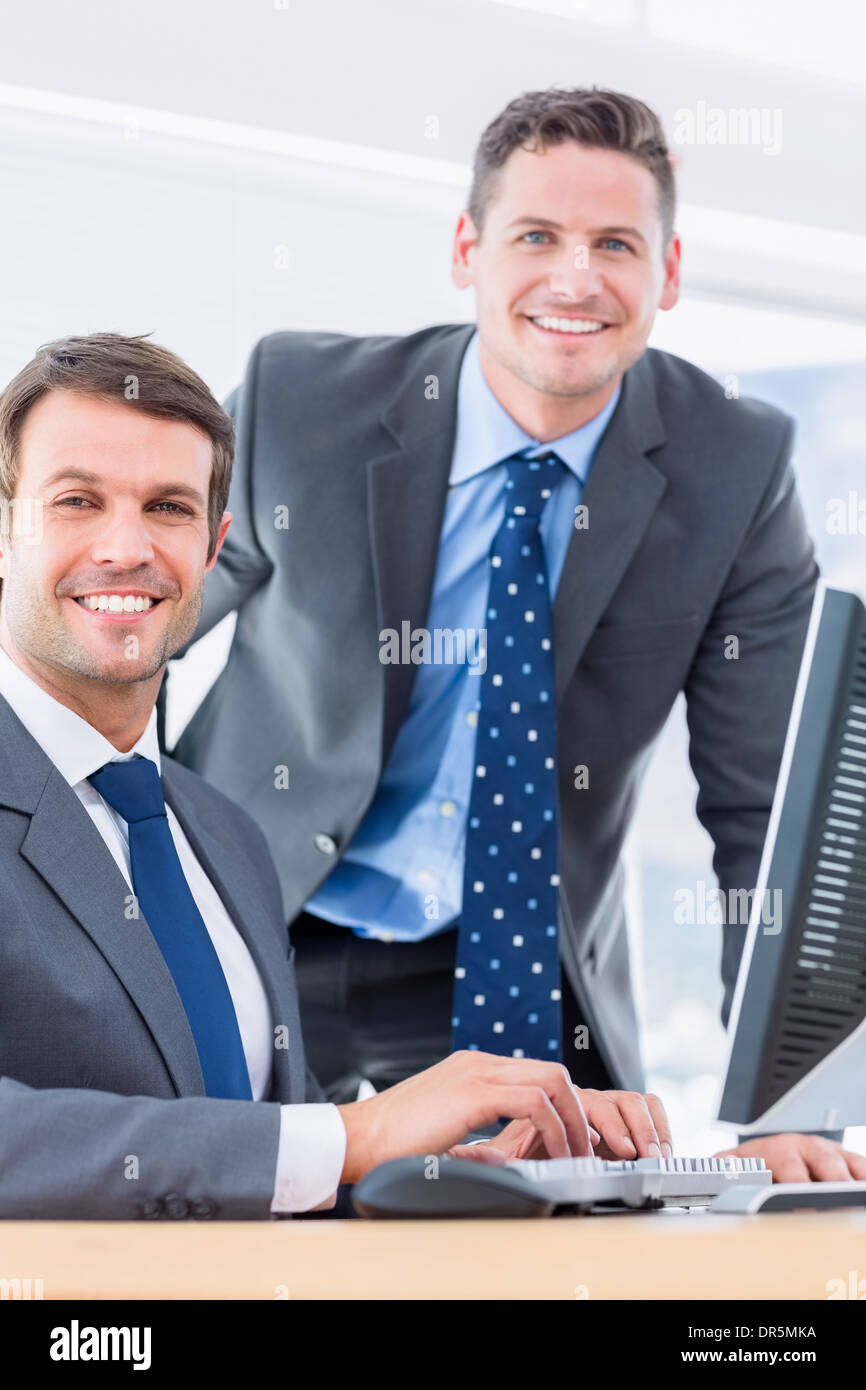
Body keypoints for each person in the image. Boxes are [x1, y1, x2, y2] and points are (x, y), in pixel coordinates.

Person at [170, 87, 862, 1181]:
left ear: (667, 276)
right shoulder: (302, 401)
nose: (574, 277)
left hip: (499, 963)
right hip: (255, 923)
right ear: (467, 250)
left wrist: (790, 1113)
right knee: (182, 1210)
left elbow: (761, 810)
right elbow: (128, 628)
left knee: (523, 1250)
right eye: (535, 235)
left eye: (615, 244)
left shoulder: (733, 466)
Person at [0, 331, 678, 1220]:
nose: (127, 548)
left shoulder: (226, 838)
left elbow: (281, 1158)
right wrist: (357, 1136)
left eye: (168, 508)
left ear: (214, 551)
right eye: (79, 500)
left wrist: (498, 1153)